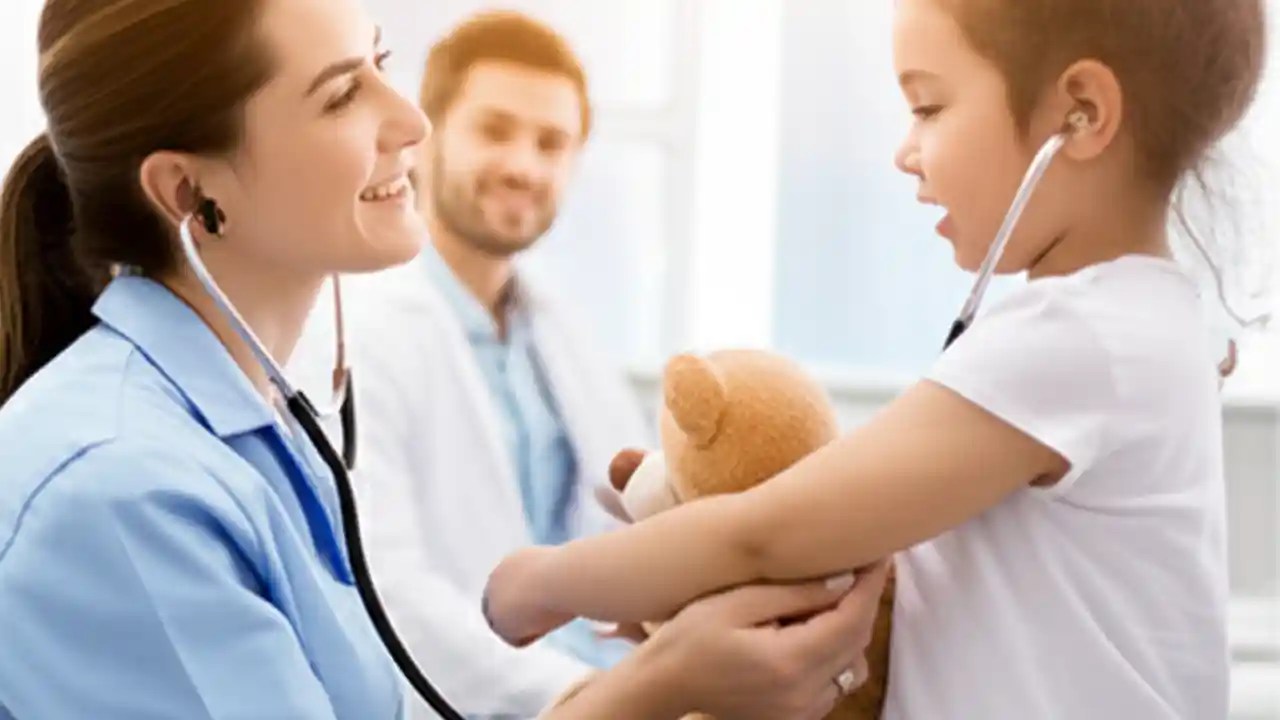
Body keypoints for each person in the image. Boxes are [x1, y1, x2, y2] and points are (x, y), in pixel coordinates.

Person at [0, 1, 885, 718]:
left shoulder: (264, 427)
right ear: (192, 192)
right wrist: (657, 691)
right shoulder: (118, 493)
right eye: (343, 94)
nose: (411, 119)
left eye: (380, 61)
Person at [482, 0, 1267, 718]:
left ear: (1081, 113)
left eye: (929, 106)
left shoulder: (1074, 338)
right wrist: (686, 596)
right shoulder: (1148, 322)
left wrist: (545, 583)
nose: (904, 151)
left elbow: (773, 530)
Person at [289, 12, 646, 716]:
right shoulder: (353, 329)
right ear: (425, 136)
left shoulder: (559, 335)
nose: (524, 164)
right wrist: (583, 696)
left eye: (551, 143)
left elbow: (631, 526)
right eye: (495, 130)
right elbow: (382, 583)